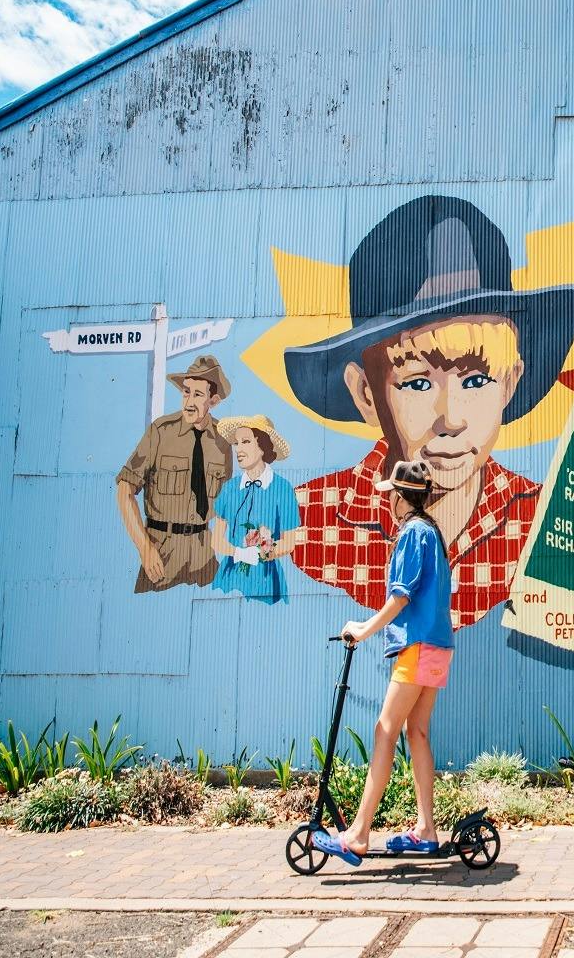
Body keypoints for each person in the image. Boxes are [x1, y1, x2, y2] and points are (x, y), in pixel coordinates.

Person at [283, 196, 574, 631]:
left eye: (477, 381)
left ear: (510, 382)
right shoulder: (307, 520)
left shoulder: (545, 526)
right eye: (418, 384)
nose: (453, 419)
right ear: (367, 394)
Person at [312, 459, 454, 866]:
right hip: (439, 646)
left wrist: (363, 628)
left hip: (417, 646)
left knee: (384, 731)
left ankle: (358, 834)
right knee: (418, 735)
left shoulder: (412, 533)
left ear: (399, 497)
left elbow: (401, 596)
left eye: (389, 495)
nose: (386, 502)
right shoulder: (433, 534)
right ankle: (427, 830)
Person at [115, 354, 234, 593]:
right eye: (186, 392)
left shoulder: (224, 442)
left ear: (214, 400)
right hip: (162, 554)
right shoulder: (160, 432)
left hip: (203, 556)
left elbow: (225, 505)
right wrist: (145, 548)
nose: (188, 401)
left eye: (197, 395)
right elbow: (125, 489)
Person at [209, 414, 301, 605]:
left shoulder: (282, 488)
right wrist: (239, 553)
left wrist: (263, 552)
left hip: (266, 581)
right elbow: (216, 540)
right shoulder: (229, 488)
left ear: (262, 447)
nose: (238, 449)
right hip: (229, 579)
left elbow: (289, 542)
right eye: (236, 443)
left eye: (245, 441)